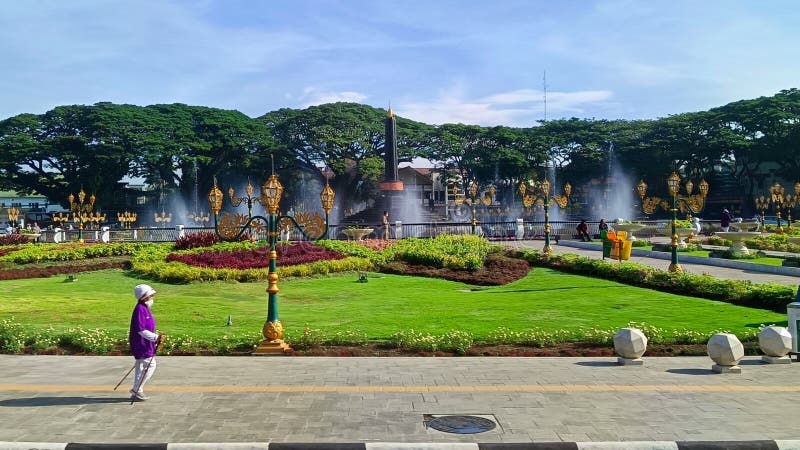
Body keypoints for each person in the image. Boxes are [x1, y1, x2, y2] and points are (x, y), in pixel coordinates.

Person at [129, 284, 165, 402]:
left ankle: (137, 390)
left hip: (145, 342)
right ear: (144, 297)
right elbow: (141, 330)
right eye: (151, 295)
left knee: (141, 366)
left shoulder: (144, 308)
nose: (152, 297)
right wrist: (156, 337)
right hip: (141, 344)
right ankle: (137, 389)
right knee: (151, 364)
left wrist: (155, 337)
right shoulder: (140, 309)